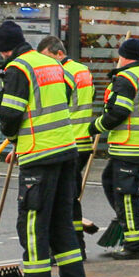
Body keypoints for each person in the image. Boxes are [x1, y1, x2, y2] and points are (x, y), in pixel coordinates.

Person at [0, 21, 85, 277]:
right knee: (62, 221)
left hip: (39, 156)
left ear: (4, 50)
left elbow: (10, 114)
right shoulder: (51, 64)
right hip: (66, 151)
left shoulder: (18, 69)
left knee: (32, 224)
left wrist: (15, 138)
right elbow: (68, 93)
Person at [91, 38, 139, 260]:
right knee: (109, 181)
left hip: (129, 144)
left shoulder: (126, 78)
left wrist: (96, 126)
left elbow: (120, 111)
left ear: (123, 55)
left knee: (125, 194)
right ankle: (132, 222)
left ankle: (136, 244)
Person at [41, 37, 95, 258]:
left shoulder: (62, 74)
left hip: (65, 140)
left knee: (61, 198)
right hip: (82, 141)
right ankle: (76, 246)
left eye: (47, 57)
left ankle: (68, 248)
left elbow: (54, 106)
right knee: (70, 196)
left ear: (59, 54)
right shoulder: (83, 71)